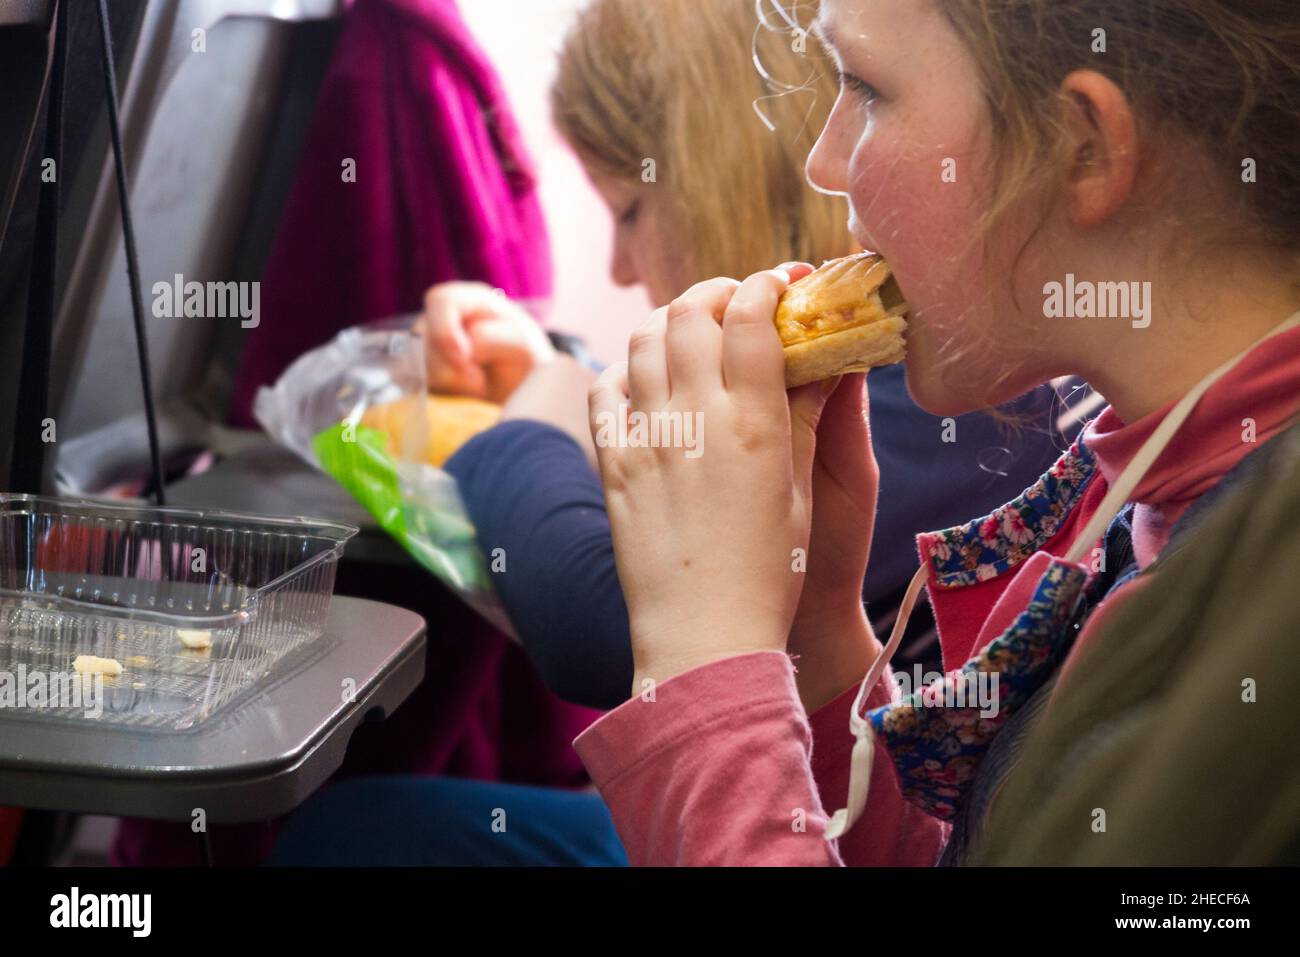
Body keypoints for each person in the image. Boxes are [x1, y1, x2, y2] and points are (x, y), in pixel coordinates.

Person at [574, 0, 1300, 865]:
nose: (823, 164)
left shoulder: (1255, 637)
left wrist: (705, 666)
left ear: (1082, 147)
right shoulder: (1148, 476)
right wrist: (815, 628)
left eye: (866, 89)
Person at [423, 0, 1079, 711]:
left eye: (630, 211)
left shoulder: (951, 385)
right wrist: (565, 373)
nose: (619, 267)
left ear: (723, 184)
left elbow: (614, 629)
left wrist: (522, 434)